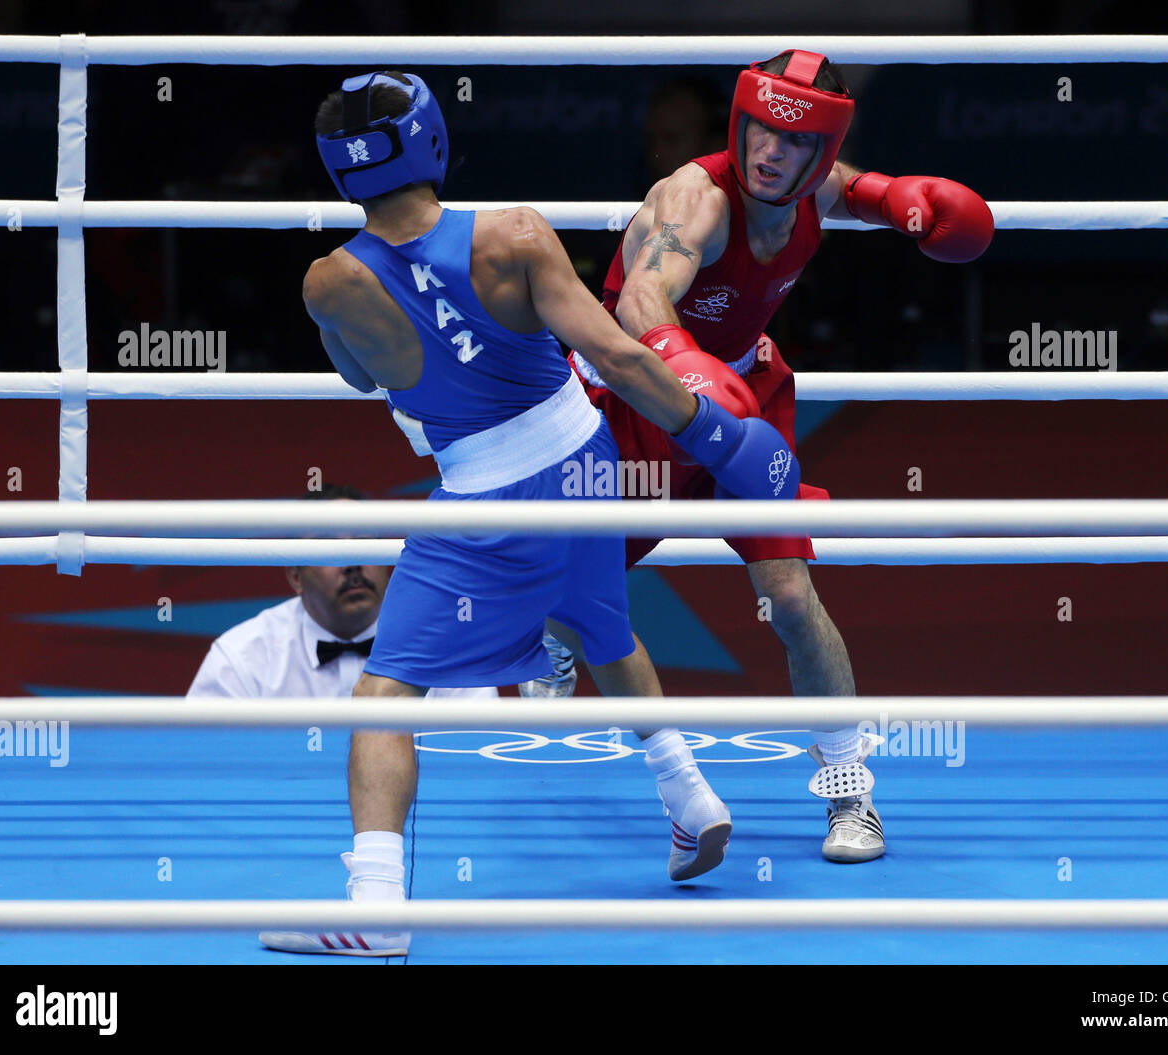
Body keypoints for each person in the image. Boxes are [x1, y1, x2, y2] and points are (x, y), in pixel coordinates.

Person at [259, 71, 804, 956]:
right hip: (586, 463)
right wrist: (718, 438)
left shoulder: (328, 282)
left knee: (382, 695)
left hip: (483, 493)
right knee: (599, 625)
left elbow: (363, 377)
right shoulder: (515, 234)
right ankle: (690, 795)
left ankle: (377, 908)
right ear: (432, 141)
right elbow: (622, 357)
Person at [567, 49, 994, 864]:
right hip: (641, 399)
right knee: (562, 586)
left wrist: (900, 200)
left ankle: (850, 794)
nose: (770, 152)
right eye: (759, 130)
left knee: (791, 596)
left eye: (794, 143)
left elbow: (856, 191)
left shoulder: (814, 187)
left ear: (820, 153)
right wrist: (680, 364)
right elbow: (640, 294)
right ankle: (561, 636)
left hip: (748, 400)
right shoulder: (695, 200)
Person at [187, 484, 498, 702]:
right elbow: (199, 763)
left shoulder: (449, 646)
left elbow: (483, 756)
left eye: (363, 541)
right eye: (330, 547)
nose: (352, 563)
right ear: (295, 576)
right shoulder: (241, 657)